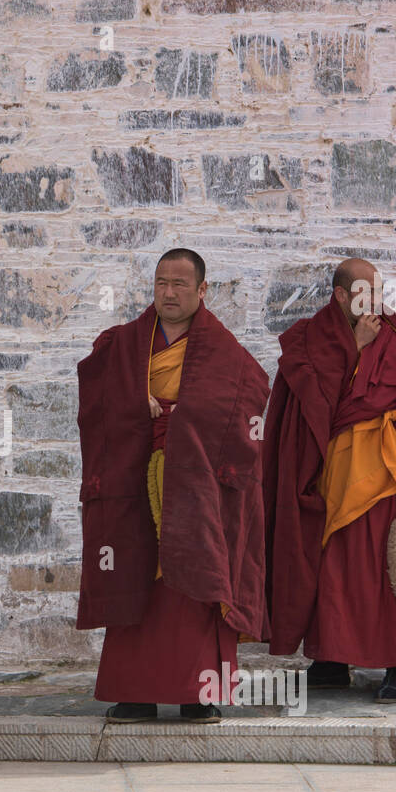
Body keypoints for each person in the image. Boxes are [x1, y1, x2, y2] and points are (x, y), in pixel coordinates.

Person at [77, 249, 270, 724]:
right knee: (133, 574)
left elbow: (251, 400)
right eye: (162, 282)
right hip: (134, 479)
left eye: (180, 284)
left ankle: (196, 694)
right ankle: (135, 693)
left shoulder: (227, 353)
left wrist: (188, 418)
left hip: (196, 485)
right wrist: (128, 399)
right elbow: (95, 388)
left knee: (193, 580)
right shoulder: (124, 343)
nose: (168, 292)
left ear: (203, 291)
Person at [262, 258, 396, 701]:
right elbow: (313, 410)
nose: (375, 302)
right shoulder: (309, 339)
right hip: (331, 471)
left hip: (386, 473)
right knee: (333, 568)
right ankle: (331, 659)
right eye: (364, 293)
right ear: (340, 295)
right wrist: (354, 347)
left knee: (388, 565)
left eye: (377, 292)